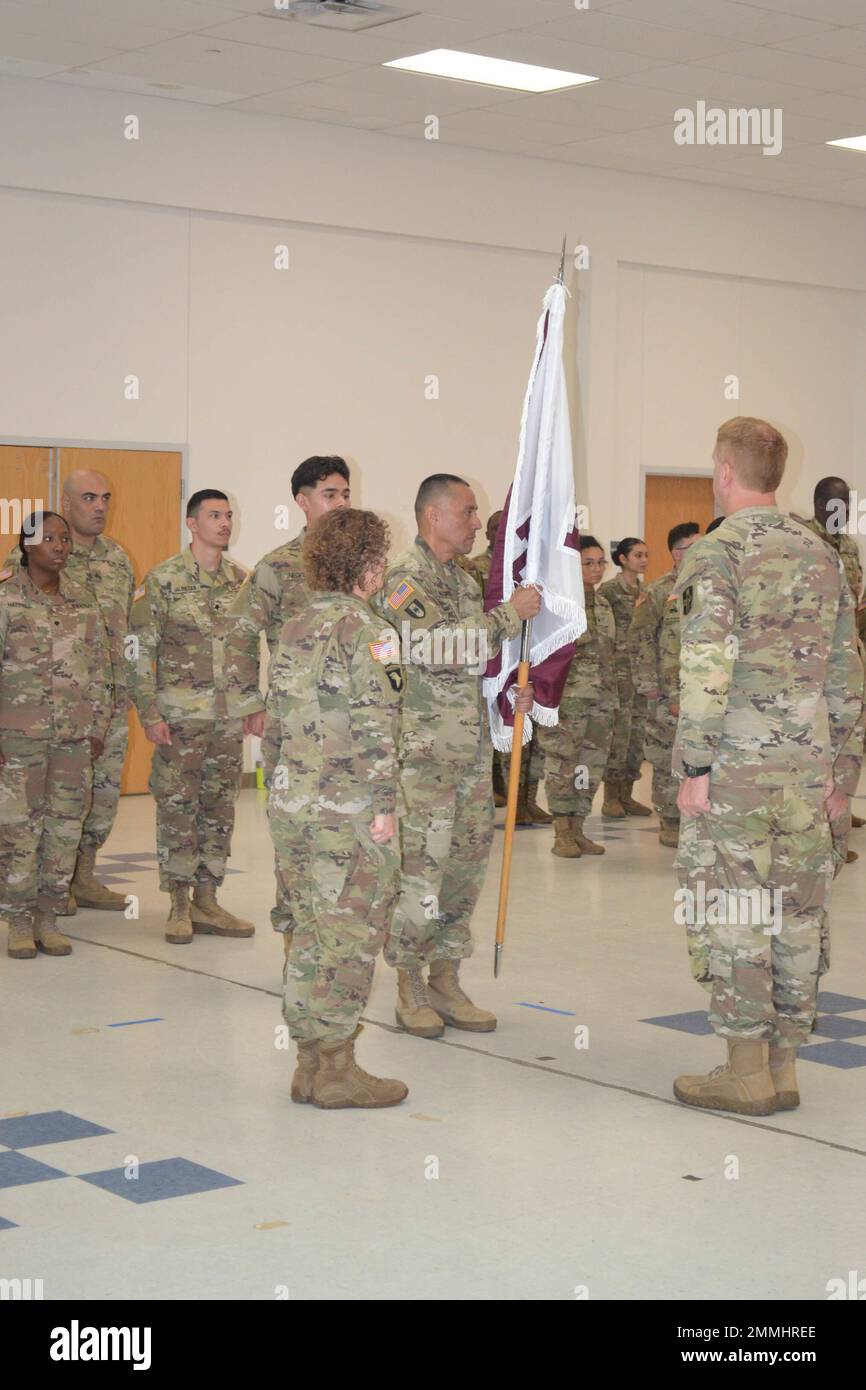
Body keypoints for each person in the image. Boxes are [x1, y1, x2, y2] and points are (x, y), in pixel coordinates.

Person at [673, 418, 863, 1117]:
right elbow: (849, 674)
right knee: (798, 912)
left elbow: (706, 669)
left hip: (738, 768)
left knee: (737, 910)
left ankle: (744, 1069)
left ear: (724, 471)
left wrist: (694, 766)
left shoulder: (717, 554)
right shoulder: (821, 554)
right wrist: (844, 774)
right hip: (809, 769)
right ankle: (784, 1066)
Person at [375, 474, 539, 1038]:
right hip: (422, 762)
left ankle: (446, 979)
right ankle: (409, 985)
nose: (476, 523)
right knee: (421, 875)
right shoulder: (403, 580)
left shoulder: (463, 584)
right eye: (468, 512)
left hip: (468, 757)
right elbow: (437, 646)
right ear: (434, 516)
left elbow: (476, 662)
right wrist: (510, 615)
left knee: (462, 874)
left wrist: (508, 691)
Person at [267, 508, 407, 1109]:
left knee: (306, 933)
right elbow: (379, 726)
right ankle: (337, 1069)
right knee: (349, 937)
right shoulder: (371, 631)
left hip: (292, 804)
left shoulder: (294, 626)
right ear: (370, 567)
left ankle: (305, 1064)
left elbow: (272, 724)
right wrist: (383, 806)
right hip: (346, 810)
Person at [129, 490, 264, 944]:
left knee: (220, 810)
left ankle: (209, 900)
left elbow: (248, 648)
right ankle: (178, 905)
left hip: (226, 720)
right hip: (180, 719)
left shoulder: (241, 582)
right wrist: (148, 712)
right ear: (192, 523)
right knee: (177, 809)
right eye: (214, 515)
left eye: (228, 515)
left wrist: (251, 704)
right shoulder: (163, 580)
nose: (225, 522)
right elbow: (137, 651)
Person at [228, 456, 352, 944]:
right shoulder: (278, 566)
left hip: (354, 731)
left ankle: (339, 938)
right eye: (330, 494)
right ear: (302, 502)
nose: (341, 503)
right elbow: (239, 634)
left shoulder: (367, 569)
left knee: (351, 837)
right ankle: (295, 941)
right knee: (296, 834)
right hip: (295, 728)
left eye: (346, 493)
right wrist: (250, 703)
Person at [2, 470, 134, 912]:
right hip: (38, 710)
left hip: (102, 703)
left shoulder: (118, 559)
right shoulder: (31, 558)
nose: (99, 506)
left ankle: (83, 877)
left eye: (105, 497)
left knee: (99, 795)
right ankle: (29, 892)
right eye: (89, 497)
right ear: (67, 501)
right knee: (32, 805)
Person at [0, 513, 111, 958]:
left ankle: (49, 915)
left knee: (64, 829)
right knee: (19, 831)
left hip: (73, 738)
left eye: (65, 539)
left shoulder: (84, 602)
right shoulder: (6, 599)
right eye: (50, 538)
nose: (61, 546)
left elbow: (101, 669)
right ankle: (20, 920)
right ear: (28, 545)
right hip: (18, 738)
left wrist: (98, 727)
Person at [461, 508, 549, 824]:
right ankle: (505, 797)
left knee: (525, 742)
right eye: (497, 529)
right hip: (488, 661)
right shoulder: (479, 569)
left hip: (513, 661)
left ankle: (522, 800)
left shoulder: (524, 571)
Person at [792, 477, 866, 854]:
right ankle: (813, 841)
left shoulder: (850, 548)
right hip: (809, 663)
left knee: (849, 748)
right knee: (814, 751)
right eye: (837, 506)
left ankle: (836, 835)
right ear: (819, 504)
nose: (844, 514)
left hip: (846, 660)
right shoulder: (801, 541)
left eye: (849, 507)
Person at [536, 535, 618, 858]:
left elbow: (611, 654)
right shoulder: (558, 604)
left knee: (590, 766)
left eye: (601, 563)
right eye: (589, 563)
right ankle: (562, 833)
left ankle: (579, 827)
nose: (597, 569)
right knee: (562, 763)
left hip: (601, 699)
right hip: (568, 700)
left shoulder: (603, 604)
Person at [629, 522, 700, 848]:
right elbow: (640, 639)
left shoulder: (713, 587)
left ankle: (698, 819)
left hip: (704, 693)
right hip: (666, 693)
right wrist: (651, 686)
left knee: (698, 755)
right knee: (666, 758)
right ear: (677, 553)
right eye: (694, 546)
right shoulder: (658, 592)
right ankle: (670, 821)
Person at [599, 537, 652, 819]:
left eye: (646, 555)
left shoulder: (647, 591)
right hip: (617, 672)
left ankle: (627, 795)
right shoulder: (609, 590)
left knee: (636, 735)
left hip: (641, 673)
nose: (644, 560)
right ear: (622, 559)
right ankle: (611, 797)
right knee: (618, 735)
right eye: (638, 555)